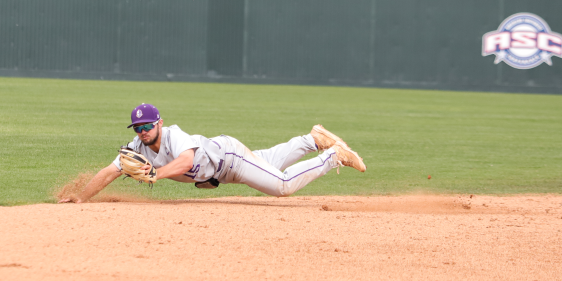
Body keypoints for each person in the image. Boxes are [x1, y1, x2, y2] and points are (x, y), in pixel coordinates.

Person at [60, 103, 366, 203]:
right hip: (222, 171)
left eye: (147, 126)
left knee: (281, 186)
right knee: (269, 162)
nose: (142, 131)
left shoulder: (174, 136)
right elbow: (109, 171)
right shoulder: (136, 149)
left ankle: (333, 155)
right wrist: (81, 198)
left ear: (159, 123)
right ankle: (312, 139)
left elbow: (187, 160)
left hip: (228, 157)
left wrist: (157, 174)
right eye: (137, 127)